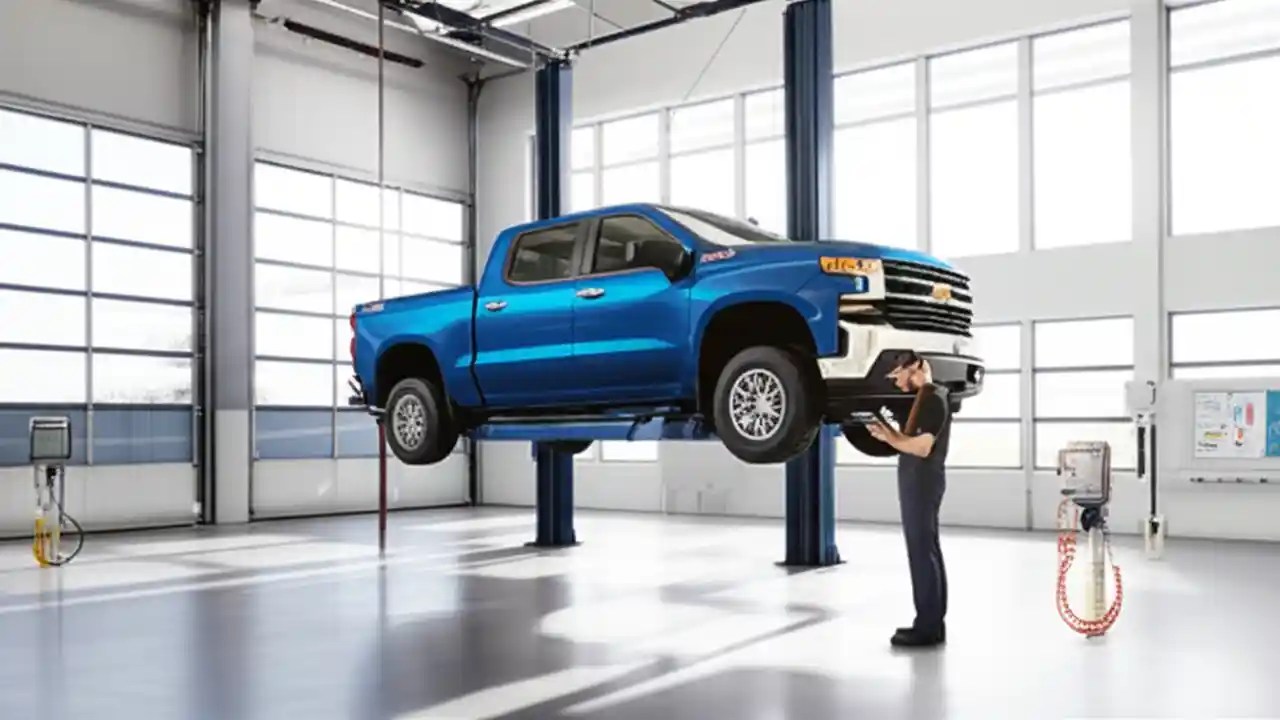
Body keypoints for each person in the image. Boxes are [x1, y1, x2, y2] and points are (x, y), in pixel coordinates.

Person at [866, 351, 951, 648]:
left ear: (914, 367)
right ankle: (932, 624)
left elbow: (923, 447)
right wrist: (888, 434)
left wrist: (890, 438)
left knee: (921, 551)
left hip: (923, 480)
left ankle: (926, 627)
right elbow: (910, 441)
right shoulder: (923, 398)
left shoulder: (933, 398)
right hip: (919, 479)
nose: (896, 383)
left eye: (897, 375)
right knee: (926, 549)